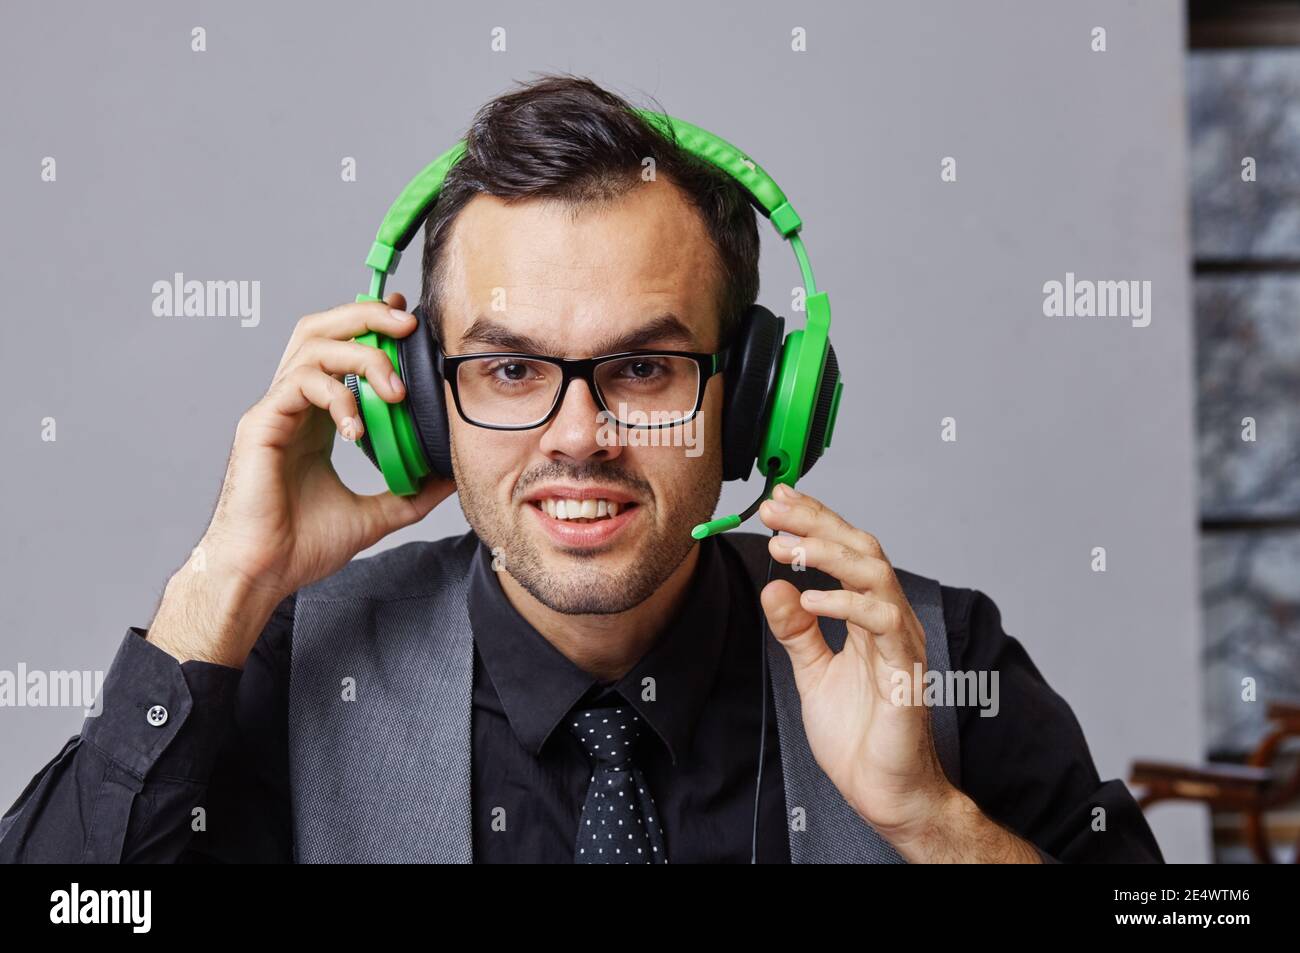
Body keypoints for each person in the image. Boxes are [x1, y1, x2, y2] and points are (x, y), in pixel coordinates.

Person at [0, 75, 1163, 864]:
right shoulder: (296, 670)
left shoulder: (934, 655)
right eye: (507, 370)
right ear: (408, 393)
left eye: (645, 368)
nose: (578, 435)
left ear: (756, 394)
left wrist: (933, 822)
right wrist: (223, 581)